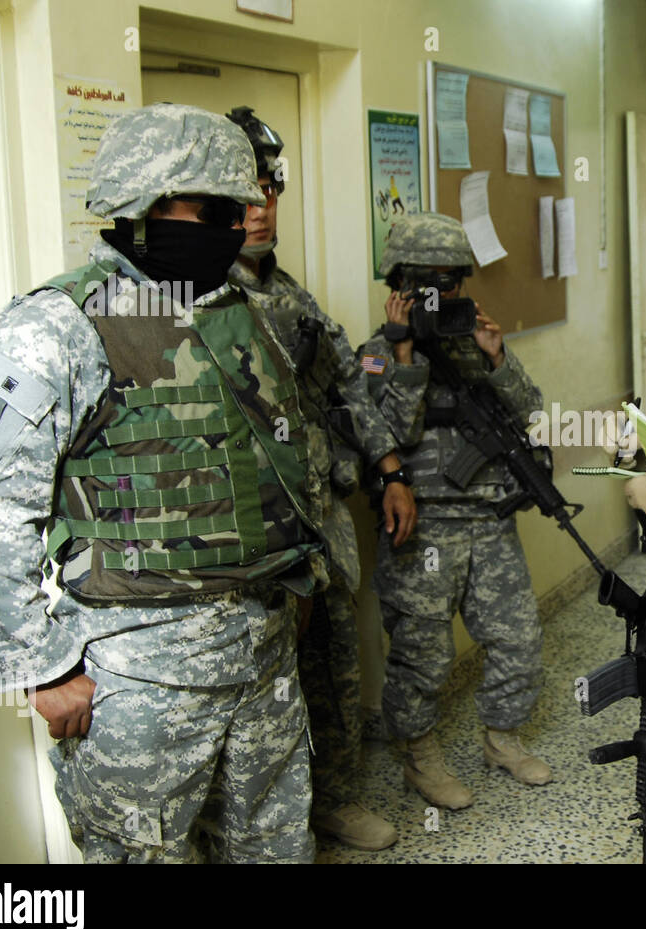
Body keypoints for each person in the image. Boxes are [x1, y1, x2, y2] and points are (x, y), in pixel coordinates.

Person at [0, 103, 326, 862]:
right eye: (215, 208)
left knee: (277, 851)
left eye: (242, 205)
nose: (240, 222)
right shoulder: (58, 328)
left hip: (265, 663)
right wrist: (39, 666)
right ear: (140, 208)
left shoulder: (255, 314)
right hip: (140, 683)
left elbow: (285, 459)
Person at [226, 106, 416, 852]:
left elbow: (347, 388)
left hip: (320, 524)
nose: (263, 204)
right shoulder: (189, 306)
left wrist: (391, 469)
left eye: (271, 185)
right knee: (260, 694)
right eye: (246, 189)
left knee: (334, 668)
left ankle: (332, 799)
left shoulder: (288, 292)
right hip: (251, 544)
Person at [359, 213, 550, 809]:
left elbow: (531, 412)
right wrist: (404, 353)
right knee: (423, 654)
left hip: (489, 516)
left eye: (454, 282)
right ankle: (420, 757)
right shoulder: (375, 355)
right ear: (400, 286)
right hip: (425, 529)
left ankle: (502, 738)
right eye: (428, 284)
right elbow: (384, 435)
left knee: (517, 635)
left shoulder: (475, 342)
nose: (444, 296)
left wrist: (497, 358)